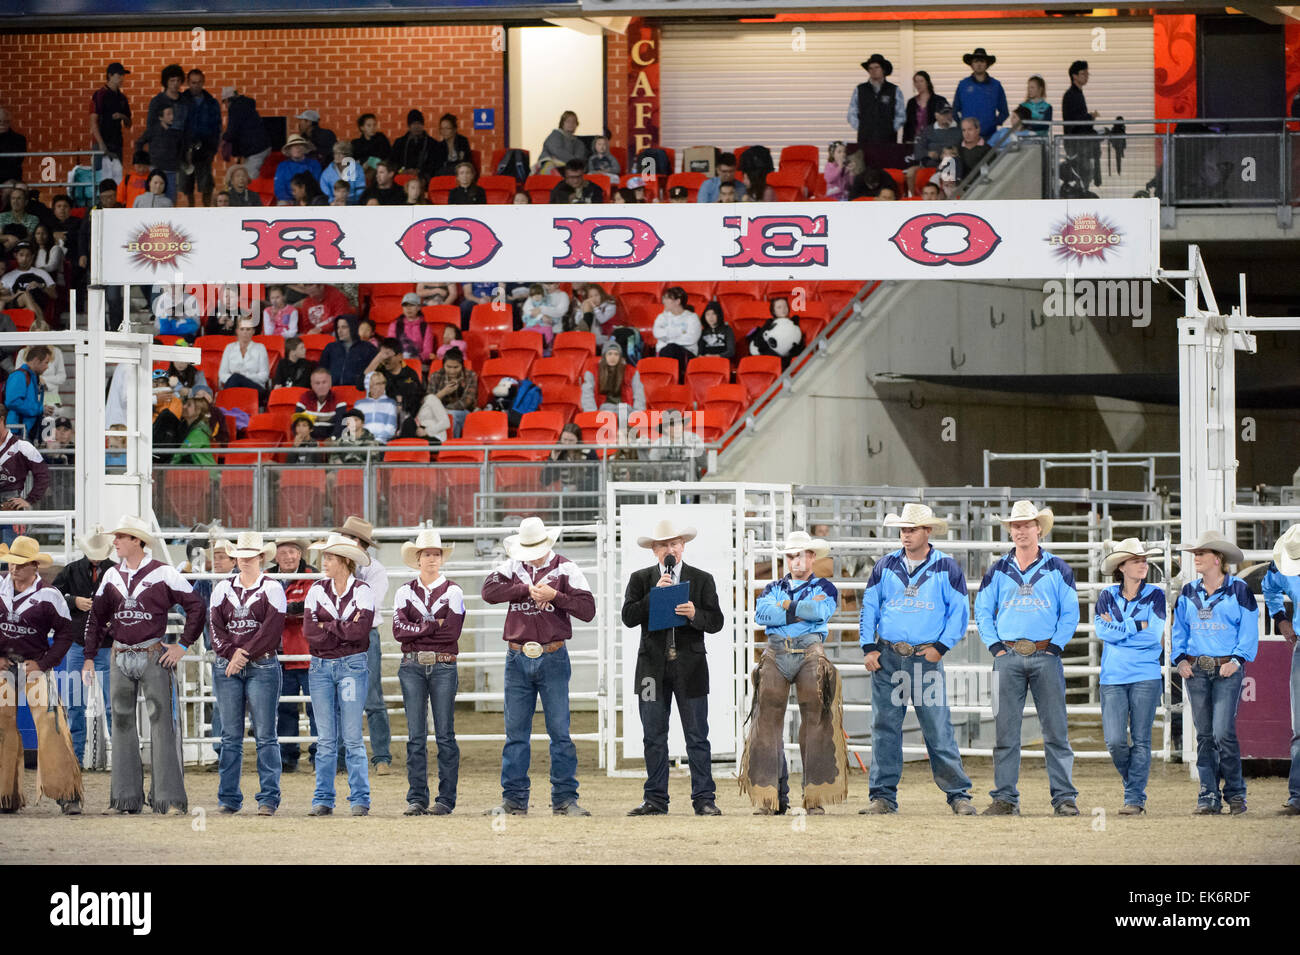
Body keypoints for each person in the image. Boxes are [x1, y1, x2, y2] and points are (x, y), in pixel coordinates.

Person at [82, 515, 204, 813]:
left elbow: (197, 606)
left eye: (121, 537)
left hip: (152, 653)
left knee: (162, 724)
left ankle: (168, 799)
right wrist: (88, 656)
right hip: (122, 653)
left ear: (137, 540)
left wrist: (182, 645)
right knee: (122, 723)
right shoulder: (112, 576)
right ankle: (126, 799)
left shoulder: (163, 573)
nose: (115, 542)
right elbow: (96, 617)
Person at [859, 505, 975, 815]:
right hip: (888, 654)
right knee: (885, 726)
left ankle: (957, 794)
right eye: (903, 529)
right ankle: (883, 796)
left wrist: (941, 646)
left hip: (925, 656)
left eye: (911, 529)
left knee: (936, 726)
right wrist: (869, 647)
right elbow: (870, 607)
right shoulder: (885, 566)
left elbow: (959, 612)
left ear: (927, 532)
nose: (905, 535)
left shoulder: (946, 567)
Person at [481, 517, 596, 816]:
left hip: (548, 654)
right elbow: (488, 592)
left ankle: (563, 798)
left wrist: (555, 596)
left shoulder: (566, 568)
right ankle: (518, 799)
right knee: (517, 731)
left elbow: (587, 609)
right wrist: (524, 590)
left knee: (558, 730)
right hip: (522, 654)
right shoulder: (512, 568)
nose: (530, 554)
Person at [974, 500, 1080, 816]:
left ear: (1038, 529)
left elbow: (1070, 611)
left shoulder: (1058, 569)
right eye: (1016, 526)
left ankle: (1064, 797)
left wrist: (1056, 646)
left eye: (1026, 525)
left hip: (1044, 653)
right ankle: (1005, 797)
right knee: (1006, 730)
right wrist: (995, 646)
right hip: (1008, 654)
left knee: (1055, 730)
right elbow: (982, 610)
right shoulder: (997, 570)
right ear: (1010, 530)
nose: (1021, 530)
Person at [621, 519, 724, 816]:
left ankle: (704, 798)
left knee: (697, 735)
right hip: (651, 669)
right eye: (664, 544)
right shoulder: (641, 579)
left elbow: (716, 621)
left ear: (683, 546)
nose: (671, 549)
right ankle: (655, 799)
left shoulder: (701, 579)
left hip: (690, 667)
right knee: (653, 734)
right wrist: (654, 595)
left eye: (675, 543)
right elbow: (628, 617)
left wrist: (695, 614)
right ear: (655, 550)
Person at [741, 530, 845, 815]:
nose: (797, 561)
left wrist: (785, 606)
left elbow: (820, 611)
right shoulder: (775, 588)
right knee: (766, 721)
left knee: (815, 718)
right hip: (784, 649)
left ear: (811, 557)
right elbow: (762, 615)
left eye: (802, 555)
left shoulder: (804, 589)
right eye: (791, 556)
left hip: (802, 650)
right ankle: (770, 797)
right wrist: (801, 610)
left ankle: (813, 796)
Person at [1172, 530, 1259, 815]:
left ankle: (1234, 793)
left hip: (1226, 668)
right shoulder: (1188, 592)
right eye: (1195, 553)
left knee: (1222, 732)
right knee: (1205, 734)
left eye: (1201, 553)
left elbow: (1248, 629)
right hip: (1196, 670)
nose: (1196, 558)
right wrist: (1180, 659)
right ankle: (1208, 794)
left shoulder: (1240, 590)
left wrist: (1237, 660)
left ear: (1217, 558)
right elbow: (1179, 630)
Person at [0, 536, 83, 814]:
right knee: (1, 724)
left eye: (21, 564)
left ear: (35, 566)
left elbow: (65, 633)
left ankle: (66, 793)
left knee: (51, 721)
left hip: (34, 665)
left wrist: (45, 662)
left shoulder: (49, 596)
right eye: (12, 563)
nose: (14, 568)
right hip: (4, 665)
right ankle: (5, 796)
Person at [208, 532, 285, 815]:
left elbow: (272, 630)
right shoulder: (223, 588)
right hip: (243, 663)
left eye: (249, 555)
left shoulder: (272, 587)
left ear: (261, 557)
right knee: (232, 735)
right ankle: (232, 797)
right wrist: (234, 653)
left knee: (264, 734)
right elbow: (214, 626)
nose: (244, 560)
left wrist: (238, 654)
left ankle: (265, 797)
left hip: (253, 664)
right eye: (240, 555)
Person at [303, 532, 377, 816]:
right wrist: (342, 627)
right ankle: (343, 798)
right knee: (329, 738)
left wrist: (327, 625)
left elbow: (359, 632)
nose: (325, 562)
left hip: (338, 664)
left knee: (348, 736)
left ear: (345, 561)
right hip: (340, 664)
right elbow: (311, 633)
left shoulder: (360, 590)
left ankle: (338, 798)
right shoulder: (320, 590)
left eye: (330, 558)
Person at [392, 529, 465, 815]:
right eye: (427, 554)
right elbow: (399, 631)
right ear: (418, 559)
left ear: (441, 559)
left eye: (436, 554)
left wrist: (417, 630)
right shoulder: (404, 591)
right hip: (414, 664)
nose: (432, 559)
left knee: (444, 733)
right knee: (416, 734)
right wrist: (434, 624)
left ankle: (444, 799)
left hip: (440, 662)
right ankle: (417, 797)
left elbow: (453, 632)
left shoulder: (454, 591)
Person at [1095, 538, 1167, 815]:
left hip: (1143, 675)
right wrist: (1138, 624)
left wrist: (1121, 630)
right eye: (1137, 560)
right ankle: (1134, 786)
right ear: (1122, 567)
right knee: (1114, 740)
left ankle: (1134, 797)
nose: (1143, 564)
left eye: (1144, 560)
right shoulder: (1107, 595)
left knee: (1140, 738)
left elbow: (1153, 635)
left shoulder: (1156, 595)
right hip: (1114, 676)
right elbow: (1102, 632)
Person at [53, 525, 114, 769]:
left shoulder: (78, 570)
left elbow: (54, 594)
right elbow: (55, 595)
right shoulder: (78, 570)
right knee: (81, 704)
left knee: (109, 705)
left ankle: (78, 758)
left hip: (95, 645)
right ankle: (75, 758)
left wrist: (72, 601)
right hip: (92, 644)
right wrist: (73, 601)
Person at [1261, 524, 1300, 815]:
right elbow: (1269, 588)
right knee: (1299, 728)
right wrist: (1279, 617)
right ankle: (1297, 795)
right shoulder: (1281, 571)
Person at [0, 408, 50, 543]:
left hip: (10, 506)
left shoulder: (22, 446)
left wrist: (29, 500)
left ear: (2, 420)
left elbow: (43, 474)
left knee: (13, 556)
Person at [181, 69, 222, 207]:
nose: (196, 86)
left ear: (203, 82)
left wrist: (213, 149)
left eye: (199, 83)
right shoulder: (181, 100)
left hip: (205, 149)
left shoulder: (211, 102)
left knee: (206, 185)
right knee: (187, 185)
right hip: (186, 148)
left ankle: (207, 210)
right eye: (193, 83)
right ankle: (190, 209)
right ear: (188, 83)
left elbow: (217, 128)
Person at [848, 53, 904, 150]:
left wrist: (890, 129)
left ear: (883, 69)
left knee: (887, 164)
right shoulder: (860, 89)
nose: (873, 71)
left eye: (876, 67)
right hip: (865, 140)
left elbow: (901, 114)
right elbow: (852, 113)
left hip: (888, 140)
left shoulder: (894, 90)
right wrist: (863, 128)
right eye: (870, 68)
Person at [952, 47, 1008, 140]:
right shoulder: (963, 85)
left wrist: (992, 124)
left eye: (982, 61)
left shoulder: (996, 85)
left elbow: (1004, 112)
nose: (979, 64)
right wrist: (962, 126)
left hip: (989, 137)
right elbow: (955, 110)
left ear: (987, 64)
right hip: (967, 138)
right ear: (971, 64)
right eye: (976, 61)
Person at [1063, 60, 1101, 188]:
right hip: (1076, 143)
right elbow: (1074, 120)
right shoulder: (1071, 95)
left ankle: (1083, 192)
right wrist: (1090, 117)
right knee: (1082, 171)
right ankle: (1081, 194)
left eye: (1087, 73)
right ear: (1074, 76)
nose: (1086, 76)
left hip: (1080, 142)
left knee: (1085, 172)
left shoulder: (1077, 94)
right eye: (1083, 73)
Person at [221, 86, 272, 181]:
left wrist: (224, 138)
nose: (225, 106)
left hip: (255, 151)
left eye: (224, 102)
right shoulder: (247, 105)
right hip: (264, 147)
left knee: (248, 181)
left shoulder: (235, 108)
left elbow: (232, 132)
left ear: (227, 100)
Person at [364, 338, 422, 422]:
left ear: (400, 357)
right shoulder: (379, 372)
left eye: (389, 356)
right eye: (383, 356)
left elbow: (417, 399)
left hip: (405, 417)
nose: (385, 360)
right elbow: (360, 385)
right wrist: (378, 358)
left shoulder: (410, 374)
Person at [90, 62, 133, 174]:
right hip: (102, 141)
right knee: (99, 178)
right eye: (119, 75)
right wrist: (101, 143)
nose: (122, 78)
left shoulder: (122, 98)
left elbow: (129, 123)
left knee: (116, 178)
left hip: (116, 143)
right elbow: (93, 122)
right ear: (110, 75)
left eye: (123, 75)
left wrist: (122, 116)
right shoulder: (100, 94)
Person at [581, 341, 645, 414]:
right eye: (610, 354)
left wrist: (637, 414)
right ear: (604, 356)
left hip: (625, 409)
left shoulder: (631, 371)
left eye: (616, 354)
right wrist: (591, 414)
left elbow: (639, 393)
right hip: (603, 409)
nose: (613, 357)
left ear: (620, 357)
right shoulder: (592, 371)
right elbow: (587, 393)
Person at [652, 286, 701, 381]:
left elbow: (691, 338)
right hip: (663, 352)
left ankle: (674, 381)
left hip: (686, 353)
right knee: (669, 349)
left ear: (677, 301)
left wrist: (668, 337)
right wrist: (679, 333)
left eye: (667, 298)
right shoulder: (662, 317)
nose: (664, 301)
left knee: (671, 348)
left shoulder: (692, 317)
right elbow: (656, 333)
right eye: (664, 298)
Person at [426, 347, 477, 438]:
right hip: (439, 412)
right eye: (448, 367)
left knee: (451, 417)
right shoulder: (436, 376)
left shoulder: (470, 375)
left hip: (464, 412)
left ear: (462, 366)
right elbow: (427, 402)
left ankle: (451, 447)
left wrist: (446, 411)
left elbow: (467, 401)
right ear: (443, 365)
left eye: (456, 367)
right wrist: (443, 392)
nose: (452, 371)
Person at [2, 241, 57, 321]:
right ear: (15, 256)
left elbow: (54, 295)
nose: (24, 258)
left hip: (34, 306)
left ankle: (40, 326)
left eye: (28, 255)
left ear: (32, 256)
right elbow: (1, 298)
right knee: (25, 294)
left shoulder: (42, 273)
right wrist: (15, 295)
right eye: (21, 255)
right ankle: (43, 325)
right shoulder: (7, 276)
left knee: (29, 305)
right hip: (16, 304)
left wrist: (41, 286)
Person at [5, 344, 50, 440]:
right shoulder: (19, 376)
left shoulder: (34, 378)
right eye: (46, 362)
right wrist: (40, 409)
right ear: (37, 360)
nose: (47, 367)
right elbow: (13, 402)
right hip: (17, 431)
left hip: (26, 431)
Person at [319, 315, 376, 390]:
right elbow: (322, 370)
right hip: (333, 392)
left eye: (344, 327)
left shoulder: (368, 348)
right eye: (338, 327)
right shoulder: (330, 347)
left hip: (358, 392)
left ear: (353, 327)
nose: (339, 331)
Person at [218, 318, 271, 398]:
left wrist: (242, 377)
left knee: (236, 377)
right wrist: (236, 379)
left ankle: (223, 404)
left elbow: (264, 376)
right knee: (235, 379)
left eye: (248, 329)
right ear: (237, 331)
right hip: (233, 386)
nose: (245, 332)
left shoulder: (260, 348)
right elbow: (222, 374)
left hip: (255, 388)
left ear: (253, 331)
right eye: (242, 329)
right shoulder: (229, 348)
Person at [295, 367, 349, 441]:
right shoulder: (304, 398)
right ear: (312, 385)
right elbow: (296, 423)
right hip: (308, 441)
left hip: (331, 442)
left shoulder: (338, 399)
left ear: (330, 383)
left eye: (324, 382)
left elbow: (341, 425)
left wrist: (333, 439)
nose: (321, 386)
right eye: (317, 383)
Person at [391, 110, 442, 183]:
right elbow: (393, 163)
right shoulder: (399, 143)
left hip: (423, 180)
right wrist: (403, 171)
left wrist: (419, 172)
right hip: (402, 177)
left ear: (423, 125)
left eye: (419, 124)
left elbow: (434, 165)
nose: (417, 127)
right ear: (409, 126)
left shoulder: (432, 144)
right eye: (414, 124)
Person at [272, 134, 322, 205]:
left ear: (304, 149)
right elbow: (279, 188)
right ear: (289, 150)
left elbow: (315, 184)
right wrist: (292, 201)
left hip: (309, 199)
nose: (297, 148)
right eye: (293, 146)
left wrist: (304, 200)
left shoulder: (314, 164)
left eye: (300, 145)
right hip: (288, 200)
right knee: (282, 204)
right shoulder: (282, 166)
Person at [903, 70, 948, 145]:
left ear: (927, 82)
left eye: (921, 81)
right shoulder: (911, 102)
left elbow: (947, 122)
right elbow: (907, 125)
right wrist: (906, 141)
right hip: (914, 143)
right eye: (916, 82)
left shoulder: (939, 100)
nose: (918, 84)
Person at [389, 293, 435, 362]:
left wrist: (416, 358)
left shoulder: (425, 327)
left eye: (412, 305)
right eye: (405, 305)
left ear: (419, 307)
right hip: (398, 361)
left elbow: (427, 352)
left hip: (418, 362)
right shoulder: (395, 325)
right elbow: (390, 347)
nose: (408, 308)